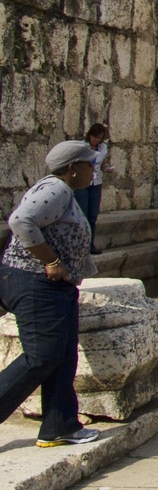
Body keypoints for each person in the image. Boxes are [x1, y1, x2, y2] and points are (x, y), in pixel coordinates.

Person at [0, 140, 102, 447]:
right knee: (42, 356)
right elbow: (21, 220)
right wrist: (52, 261)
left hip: (57, 287)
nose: (93, 170)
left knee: (63, 356)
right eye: (89, 164)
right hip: (35, 283)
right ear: (73, 168)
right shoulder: (55, 189)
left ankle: (60, 427)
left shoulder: (65, 191)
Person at [71, 123, 113, 237]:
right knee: (83, 214)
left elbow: (101, 164)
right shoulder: (82, 146)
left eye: (99, 138)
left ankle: (90, 242)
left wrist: (106, 169)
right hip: (83, 183)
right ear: (90, 135)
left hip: (96, 183)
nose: (96, 140)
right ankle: (81, 241)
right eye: (95, 137)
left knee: (93, 216)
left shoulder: (103, 148)